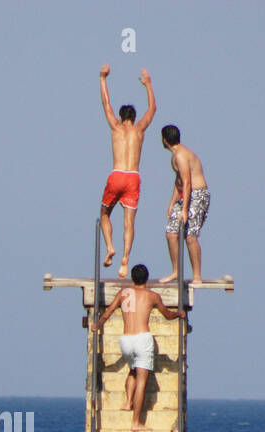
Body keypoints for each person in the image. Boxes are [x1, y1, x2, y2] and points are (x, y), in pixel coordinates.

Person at [91, 263, 183, 430]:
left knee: (132, 369)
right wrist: (179, 314)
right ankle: (136, 422)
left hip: (126, 340)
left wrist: (97, 325)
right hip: (142, 339)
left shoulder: (123, 293)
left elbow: (108, 312)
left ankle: (128, 402)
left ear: (132, 278)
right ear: (146, 278)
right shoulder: (152, 296)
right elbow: (167, 315)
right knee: (142, 380)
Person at [98, 64, 156, 279]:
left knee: (104, 214)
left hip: (117, 174)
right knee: (129, 223)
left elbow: (106, 103)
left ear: (122, 117)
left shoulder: (116, 127)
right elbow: (152, 110)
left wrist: (103, 78)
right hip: (133, 177)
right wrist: (148, 84)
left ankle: (110, 247)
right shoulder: (139, 130)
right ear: (134, 117)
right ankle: (125, 259)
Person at [158, 125, 209, 284]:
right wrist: (172, 203)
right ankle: (176, 271)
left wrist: (185, 210)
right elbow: (179, 181)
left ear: (165, 140)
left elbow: (187, 183)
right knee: (171, 233)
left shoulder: (181, 156)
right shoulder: (175, 156)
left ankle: (197, 276)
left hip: (197, 195)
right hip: (185, 196)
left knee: (190, 237)